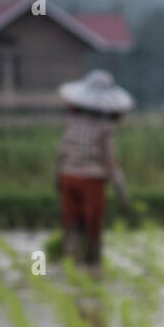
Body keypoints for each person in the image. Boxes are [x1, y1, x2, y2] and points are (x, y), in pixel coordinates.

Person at [55, 68, 134, 264]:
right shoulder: (105, 128)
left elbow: (62, 152)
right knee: (93, 227)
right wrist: (121, 189)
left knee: (71, 223)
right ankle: (93, 265)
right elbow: (110, 160)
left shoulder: (71, 122)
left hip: (68, 175)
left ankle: (70, 263)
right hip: (92, 180)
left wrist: (57, 177)